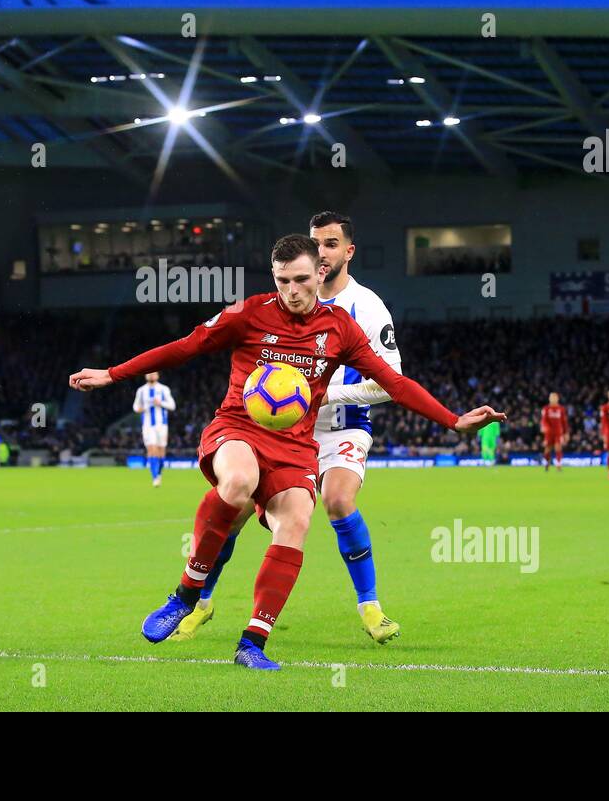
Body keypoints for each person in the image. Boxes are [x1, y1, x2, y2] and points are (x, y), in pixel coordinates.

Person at [69, 234, 503, 670]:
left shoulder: (339, 328)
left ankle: (252, 643)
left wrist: (453, 420)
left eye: (300, 280)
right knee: (238, 481)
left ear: (320, 272)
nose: (292, 291)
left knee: (296, 522)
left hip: (295, 446)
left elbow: (394, 383)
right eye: (282, 281)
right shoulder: (248, 313)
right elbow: (186, 346)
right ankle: (185, 594)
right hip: (239, 428)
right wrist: (113, 374)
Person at [175, 211, 406, 646]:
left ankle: (370, 605)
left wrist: (322, 395)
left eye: (331, 244)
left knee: (338, 500)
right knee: (235, 513)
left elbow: (391, 382)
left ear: (348, 252)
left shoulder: (367, 307)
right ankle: (200, 601)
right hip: (280, 432)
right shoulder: (283, 301)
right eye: (316, 244)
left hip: (340, 426)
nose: (322, 252)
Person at [132, 372, 176, 486]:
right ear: (145, 376)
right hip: (147, 425)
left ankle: (159, 474)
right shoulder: (141, 390)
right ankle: (155, 477)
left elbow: (172, 405)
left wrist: (160, 402)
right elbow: (135, 407)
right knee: (151, 449)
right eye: (149, 373)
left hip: (162, 425)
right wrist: (140, 409)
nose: (151, 375)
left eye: (153, 373)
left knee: (161, 452)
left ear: (157, 375)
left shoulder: (164, 389)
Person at [540, 392, 567, 471]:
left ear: (557, 399)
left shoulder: (561, 409)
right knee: (547, 449)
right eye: (552, 397)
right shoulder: (546, 409)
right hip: (549, 432)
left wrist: (566, 432)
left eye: (554, 397)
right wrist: (544, 427)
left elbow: (564, 421)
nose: (553, 399)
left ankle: (558, 465)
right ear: (549, 399)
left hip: (558, 432)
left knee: (558, 448)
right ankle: (547, 462)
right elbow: (543, 420)